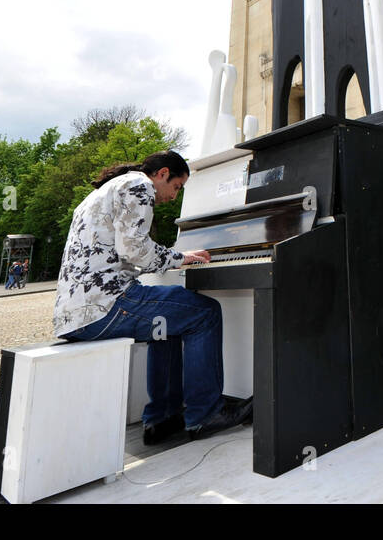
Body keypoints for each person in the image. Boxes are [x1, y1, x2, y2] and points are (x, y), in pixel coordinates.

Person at [53, 150, 251, 443]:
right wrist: (182, 257)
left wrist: (173, 259)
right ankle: (206, 413)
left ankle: (162, 418)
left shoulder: (103, 192)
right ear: (162, 174)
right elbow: (134, 250)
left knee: (167, 323)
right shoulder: (139, 185)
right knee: (205, 312)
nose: (174, 196)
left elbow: (124, 249)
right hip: (106, 307)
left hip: (75, 315)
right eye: (176, 187)